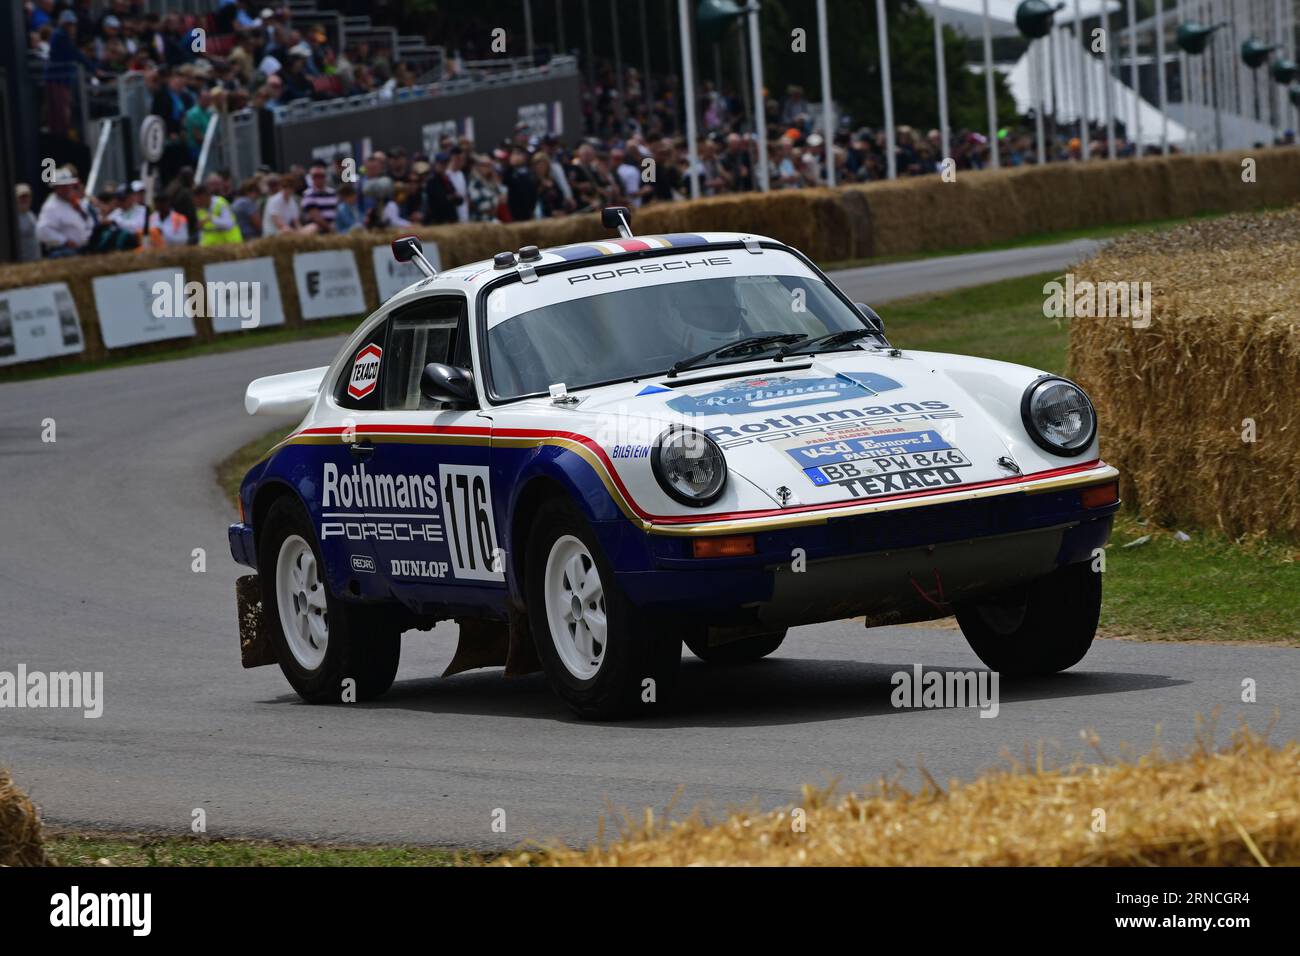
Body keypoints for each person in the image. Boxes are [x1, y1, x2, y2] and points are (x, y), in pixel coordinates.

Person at [36, 166, 94, 256]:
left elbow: (88, 221)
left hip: (84, 249)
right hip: (64, 251)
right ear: (55, 188)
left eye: (68, 185)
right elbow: (42, 230)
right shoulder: (51, 207)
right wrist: (64, 241)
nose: (67, 189)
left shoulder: (76, 202)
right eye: (62, 186)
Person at [300, 162, 338, 230]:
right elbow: (316, 217)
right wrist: (331, 229)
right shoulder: (308, 194)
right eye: (316, 176)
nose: (318, 179)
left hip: (335, 225)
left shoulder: (333, 193)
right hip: (318, 228)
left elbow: (338, 211)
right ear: (312, 178)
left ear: (325, 177)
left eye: (321, 176)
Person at [15, 184, 40, 262]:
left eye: (26, 196)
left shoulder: (31, 215)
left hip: (36, 261)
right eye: (21, 197)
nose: (24, 199)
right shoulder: (12, 219)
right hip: (21, 263)